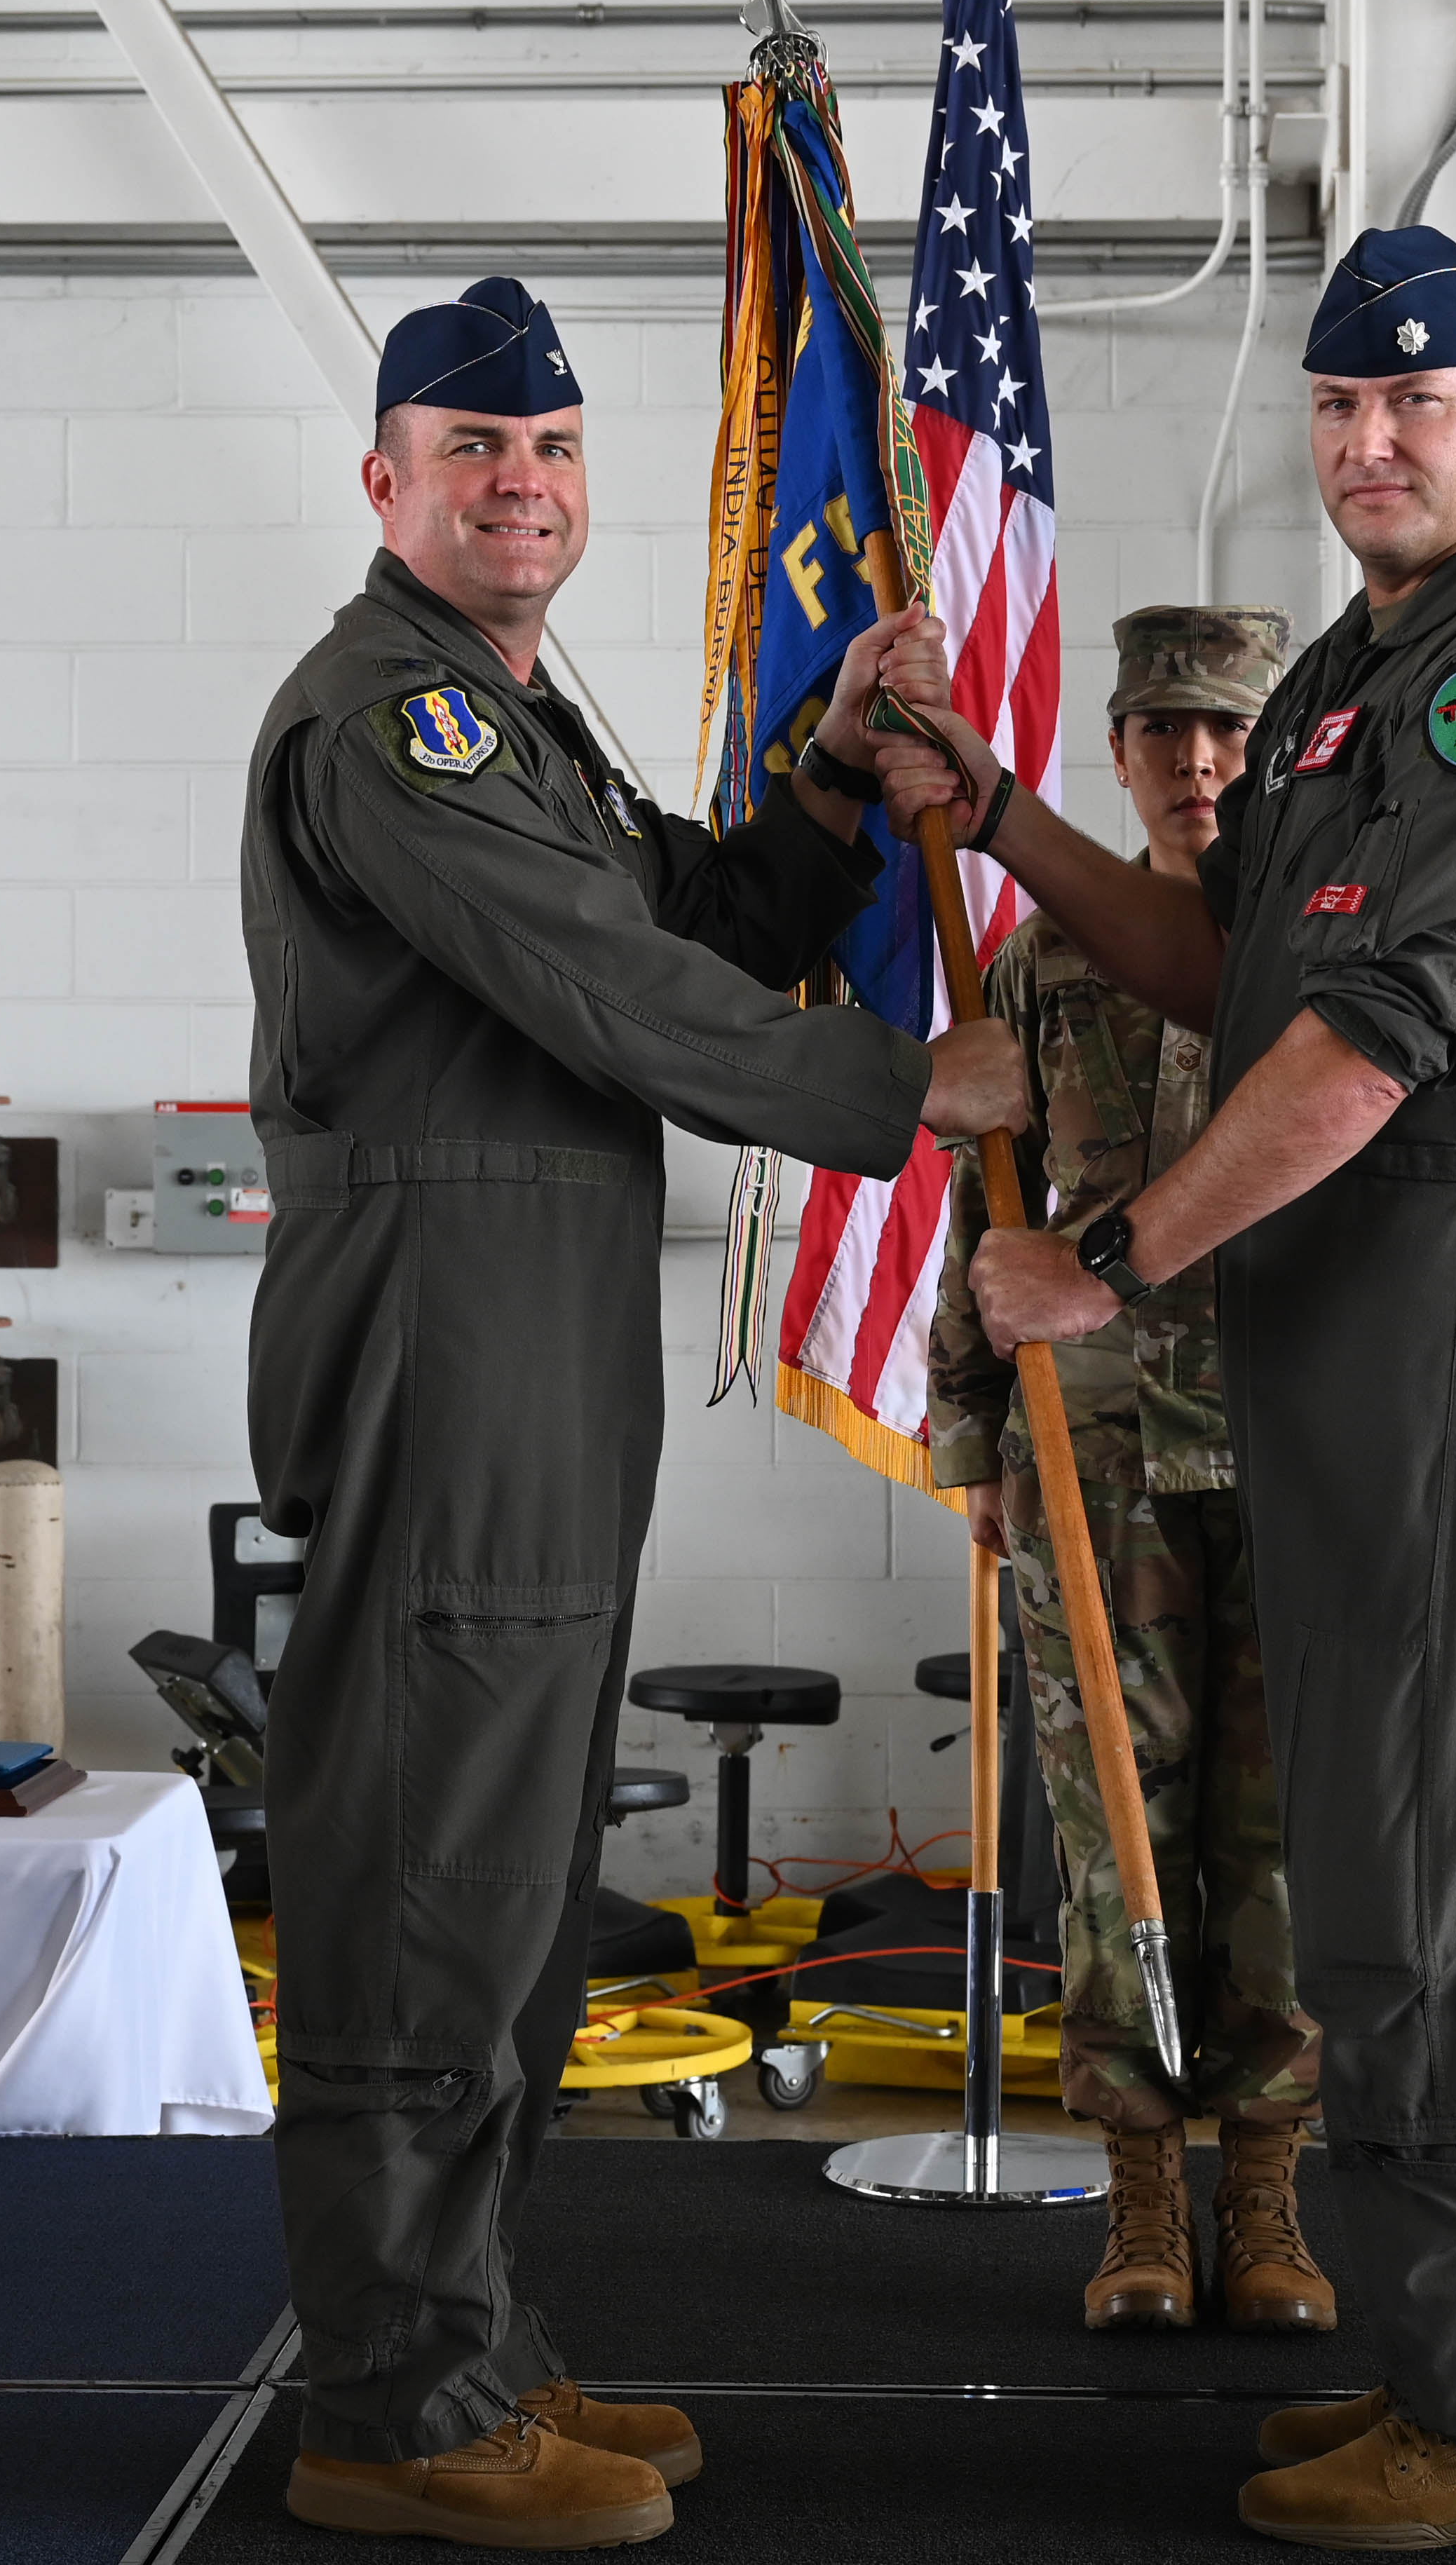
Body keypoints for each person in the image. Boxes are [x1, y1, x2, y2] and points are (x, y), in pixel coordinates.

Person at [873, 225, 1456, 2550]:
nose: (1368, 438)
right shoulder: (1363, 660)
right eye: (1338, 402)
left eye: (1421, 402)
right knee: (1371, 1886)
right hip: (1341, 1306)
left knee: (1452, 1886)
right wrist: (1007, 814)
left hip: (1449, 1283)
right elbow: (1235, 970)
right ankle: (1454, 2367)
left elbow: (1361, 1047)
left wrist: (1105, 1260)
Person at [238, 274, 1026, 2552]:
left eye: (557, 449)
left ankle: (459, 2330)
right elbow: (607, 986)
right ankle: (391, 2399)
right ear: (386, 482)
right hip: (443, 1327)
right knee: (421, 1873)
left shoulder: (517, 721)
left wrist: (829, 765)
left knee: (500, 1864)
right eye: (476, 452)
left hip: (531, 1327)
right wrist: (906, 1087)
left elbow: (698, 908)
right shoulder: (392, 723)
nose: (524, 484)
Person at [920, 603, 1333, 2340]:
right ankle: (1142, 2201)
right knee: (1111, 1837)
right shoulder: (1039, 967)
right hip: (1093, 1461)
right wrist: (972, 1436)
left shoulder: (1320, 959)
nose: (1196, 764)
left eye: (1228, 733)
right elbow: (980, 1214)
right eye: (1163, 734)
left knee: (1277, 1848)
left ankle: (1265, 2197)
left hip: (1295, 1456)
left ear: (1279, 754)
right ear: (1117, 753)